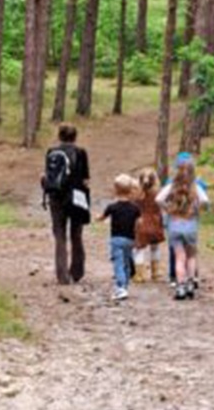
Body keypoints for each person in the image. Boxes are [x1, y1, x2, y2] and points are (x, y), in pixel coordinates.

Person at [42, 123, 90, 285]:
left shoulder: (51, 152)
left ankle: (62, 275)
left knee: (60, 236)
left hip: (56, 197)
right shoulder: (81, 152)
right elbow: (85, 179)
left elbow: (48, 177)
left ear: (59, 136)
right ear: (75, 137)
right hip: (76, 198)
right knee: (76, 235)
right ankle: (77, 272)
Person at [157, 159, 210, 301]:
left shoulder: (171, 187)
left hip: (174, 225)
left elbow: (158, 199)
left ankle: (180, 287)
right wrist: (198, 209)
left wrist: (168, 209)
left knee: (179, 258)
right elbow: (205, 201)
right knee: (191, 256)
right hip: (190, 225)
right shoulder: (196, 187)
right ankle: (190, 285)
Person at [99, 174, 141, 301]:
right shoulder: (135, 208)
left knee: (118, 262)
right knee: (127, 262)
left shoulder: (112, 207)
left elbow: (102, 217)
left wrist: (97, 218)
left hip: (116, 239)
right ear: (130, 190)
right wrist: (137, 239)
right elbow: (138, 224)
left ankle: (120, 287)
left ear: (116, 190)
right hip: (130, 239)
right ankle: (125, 285)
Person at [133, 168, 165, 283]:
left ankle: (139, 275)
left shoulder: (137, 195)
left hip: (141, 224)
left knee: (139, 250)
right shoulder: (158, 194)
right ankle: (155, 273)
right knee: (155, 248)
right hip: (155, 223)